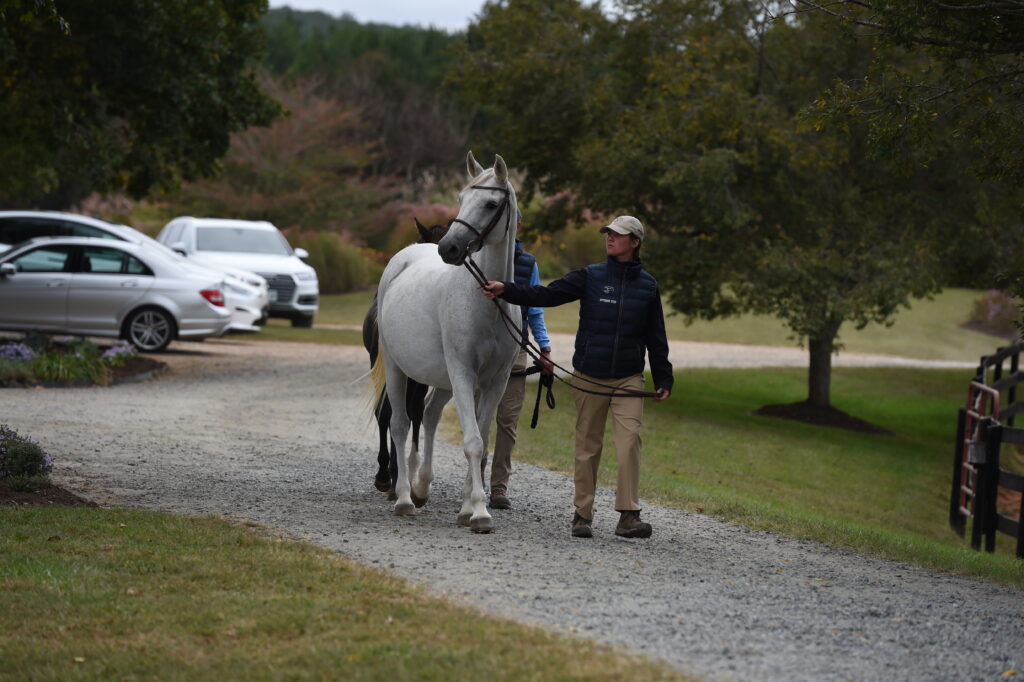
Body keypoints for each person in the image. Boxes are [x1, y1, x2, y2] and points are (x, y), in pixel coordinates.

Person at [481, 215, 672, 539]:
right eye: (608, 233)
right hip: (589, 376)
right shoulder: (591, 277)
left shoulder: (648, 286)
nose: (610, 238)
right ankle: (582, 515)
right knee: (588, 446)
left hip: (628, 378)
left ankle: (628, 515)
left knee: (628, 443)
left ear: (635, 242)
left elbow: (656, 336)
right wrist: (507, 290)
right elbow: (546, 295)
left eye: (618, 235)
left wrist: (664, 378)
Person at [487, 209, 553, 510]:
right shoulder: (479, 257)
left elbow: (535, 309)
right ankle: (473, 478)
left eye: (512, 220)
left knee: (508, 421)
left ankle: (499, 487)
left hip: (515, 349)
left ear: (518, 225)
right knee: (477, 418)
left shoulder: (528, 264)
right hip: (480, 352)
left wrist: (545, 348)